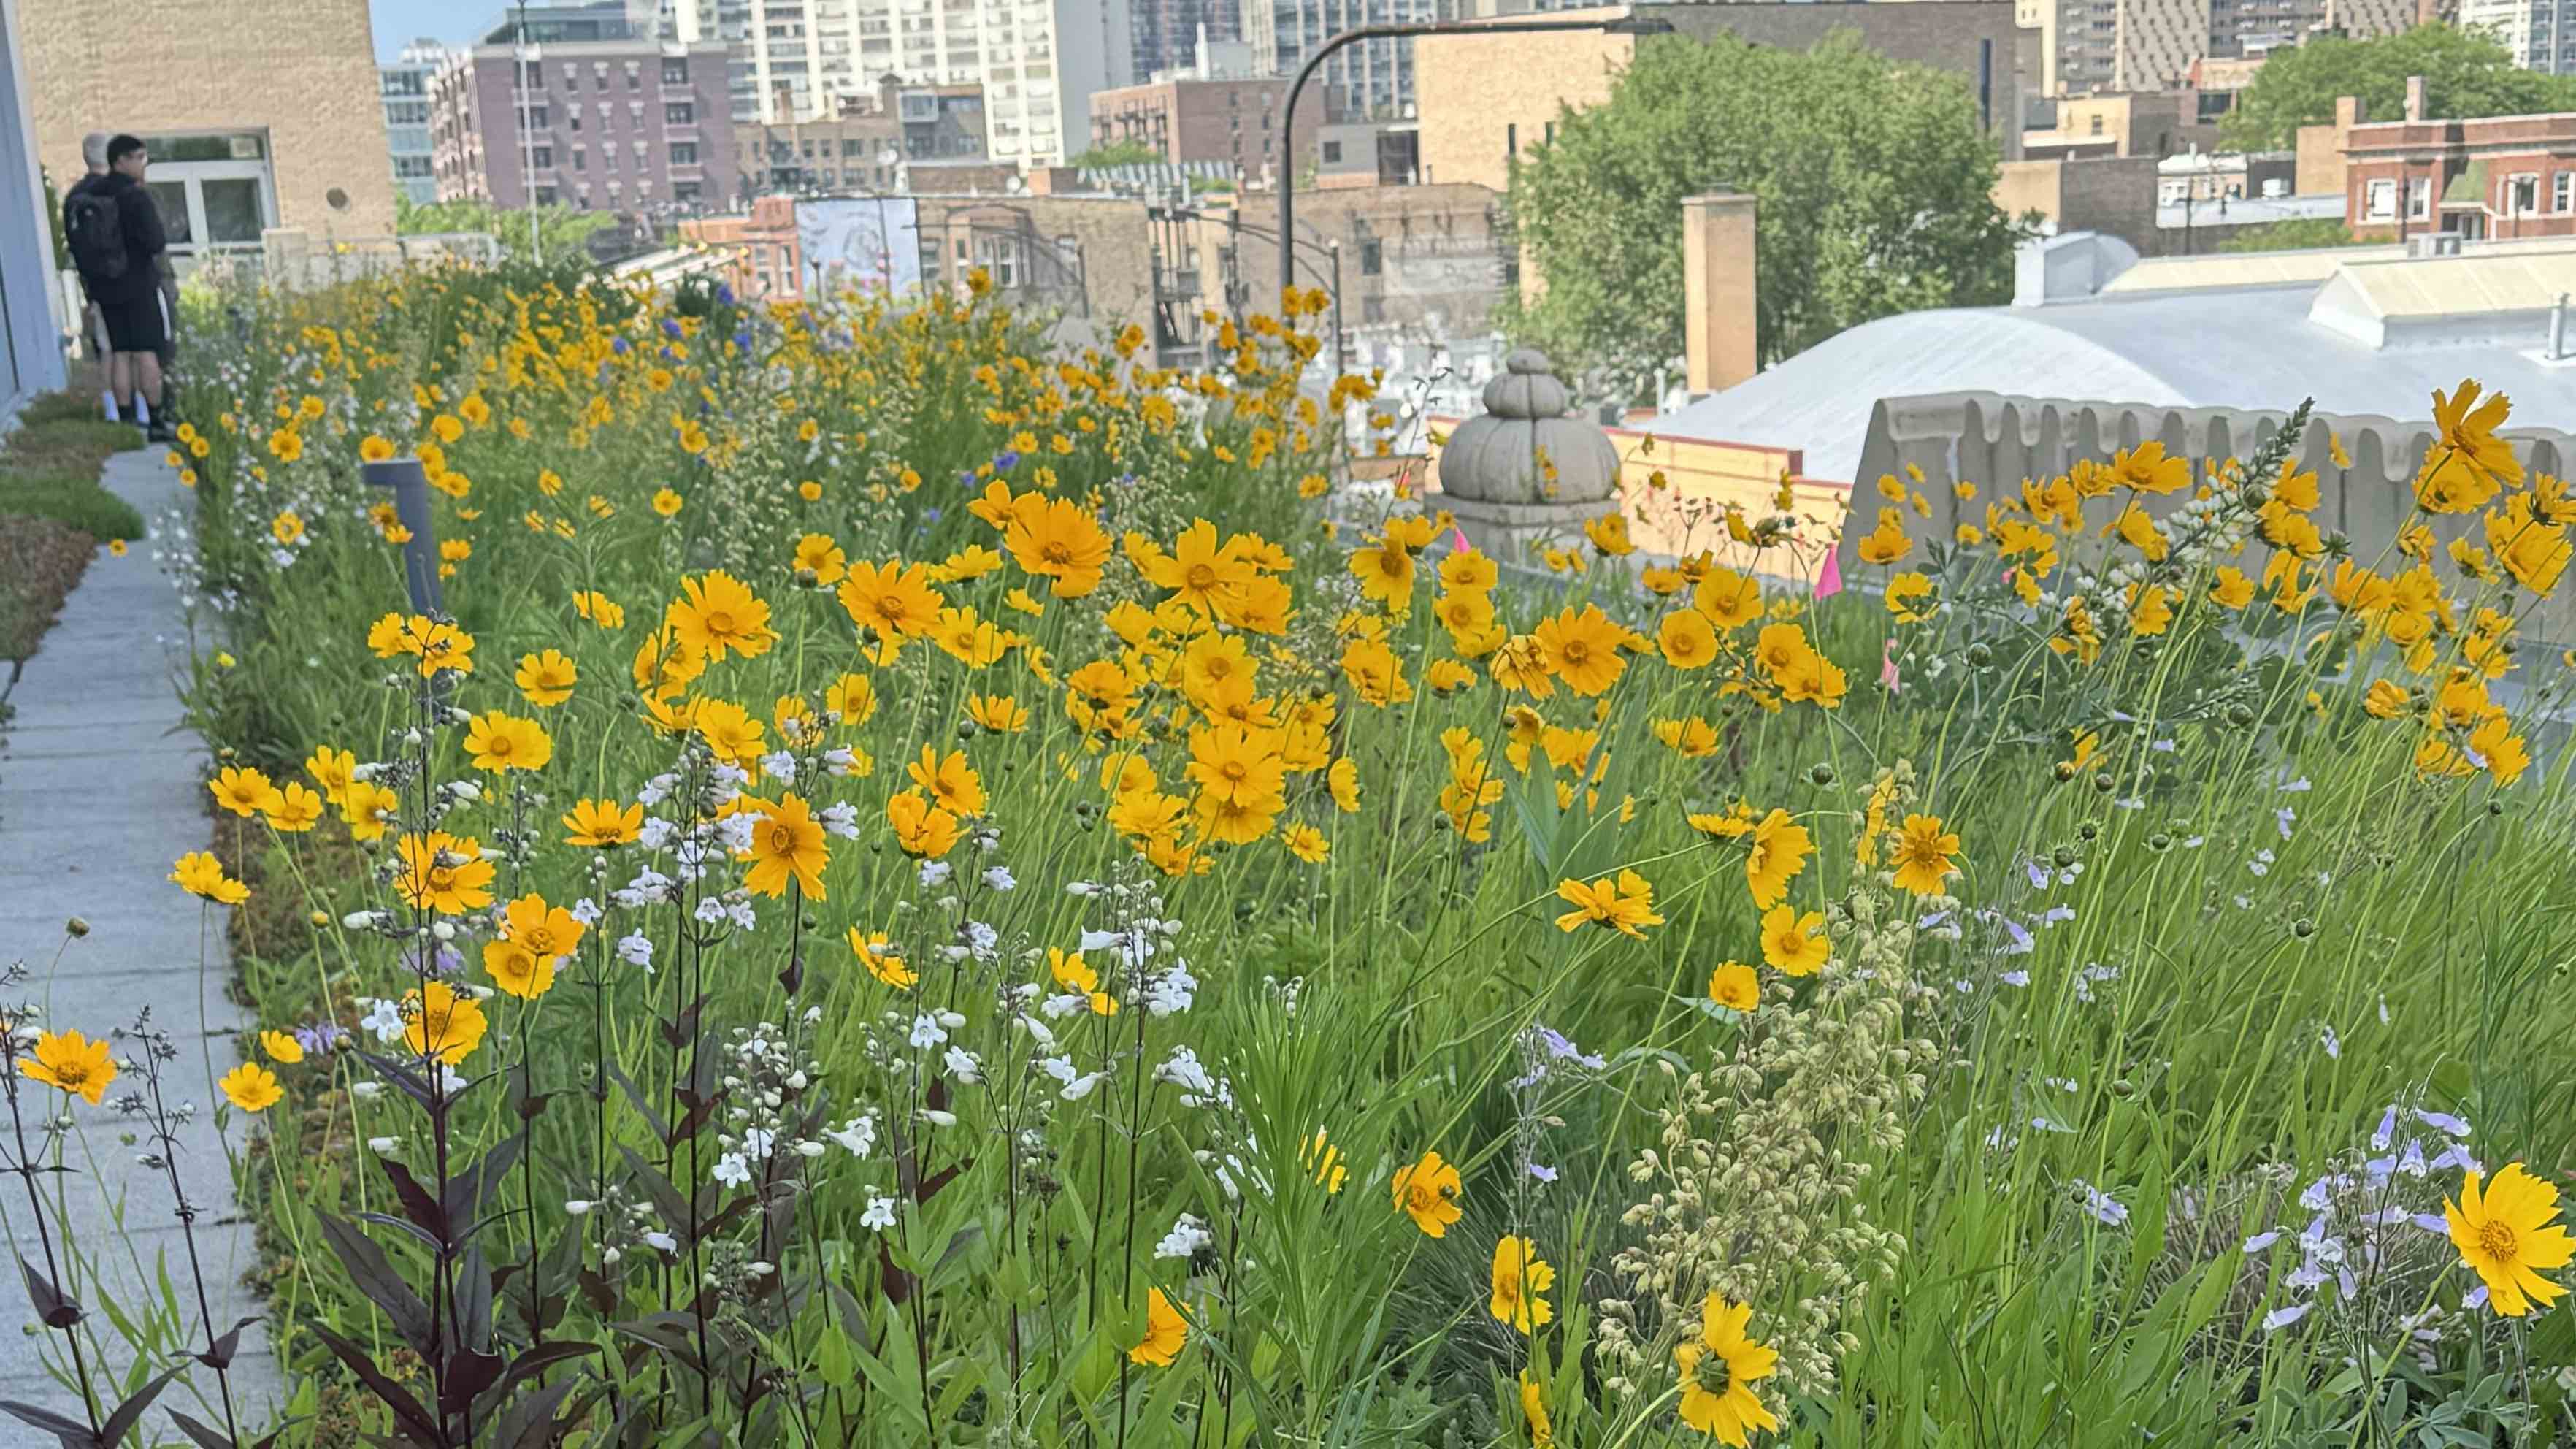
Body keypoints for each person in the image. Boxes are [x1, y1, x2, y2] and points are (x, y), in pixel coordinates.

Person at [86, 134, 174, 442]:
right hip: (138, 284)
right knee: (146, 353)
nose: (142, 163)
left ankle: (125, 424)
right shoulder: (135, 196)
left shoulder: (91, 194)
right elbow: (155, 242)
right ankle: (156, 421)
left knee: (120, 353)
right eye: (138, 157)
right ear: (120, 160)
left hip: (105, 288)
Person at [59, 131, 123, 416]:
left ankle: (111, 409)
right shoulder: (117, 190)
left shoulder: (75, 197)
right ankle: (137, 409)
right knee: (132, 350)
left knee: (106, 348)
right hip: (125, 281)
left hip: (95, 285)